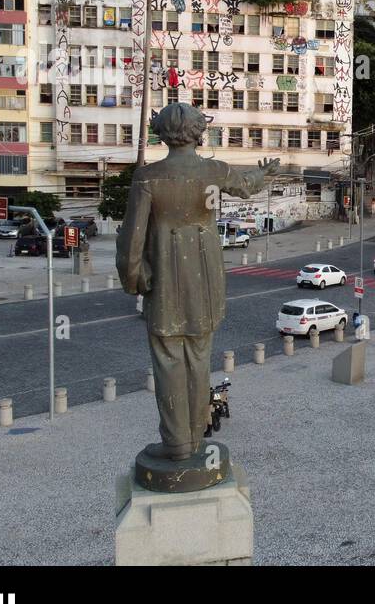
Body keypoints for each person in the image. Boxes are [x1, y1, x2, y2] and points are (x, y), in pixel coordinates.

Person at [116, 102, 278, 463]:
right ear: (198, 132)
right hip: (205, 282)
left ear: (162, 132)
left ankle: (176, 442)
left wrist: (134, 279)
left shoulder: (147, 177)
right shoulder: (214, 171)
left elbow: (131, 240)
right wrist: (265, 173)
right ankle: (193, 438)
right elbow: (247, 186)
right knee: (200, 360)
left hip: (163, 284)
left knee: (168, 362)